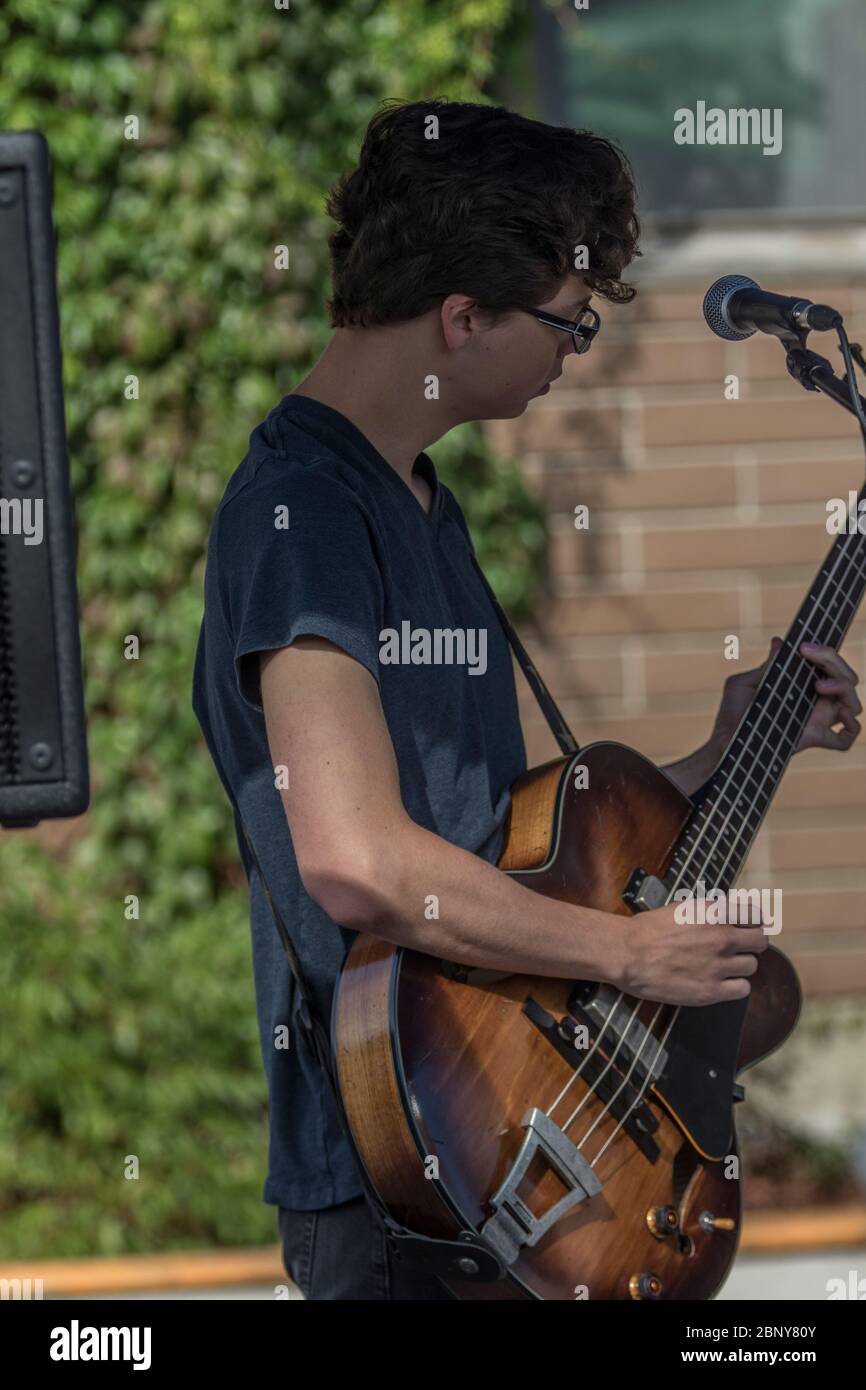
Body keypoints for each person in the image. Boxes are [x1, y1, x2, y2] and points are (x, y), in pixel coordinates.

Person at [191, 98, 862, 1300]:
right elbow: (358, 863)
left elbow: (500, 845)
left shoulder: (418, 501)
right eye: (570, 318)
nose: (574, 347)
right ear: (462, 317)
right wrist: (625, 950)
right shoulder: (300, 516)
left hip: (505, 1146)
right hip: (410, 1182)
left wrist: (730, 748)